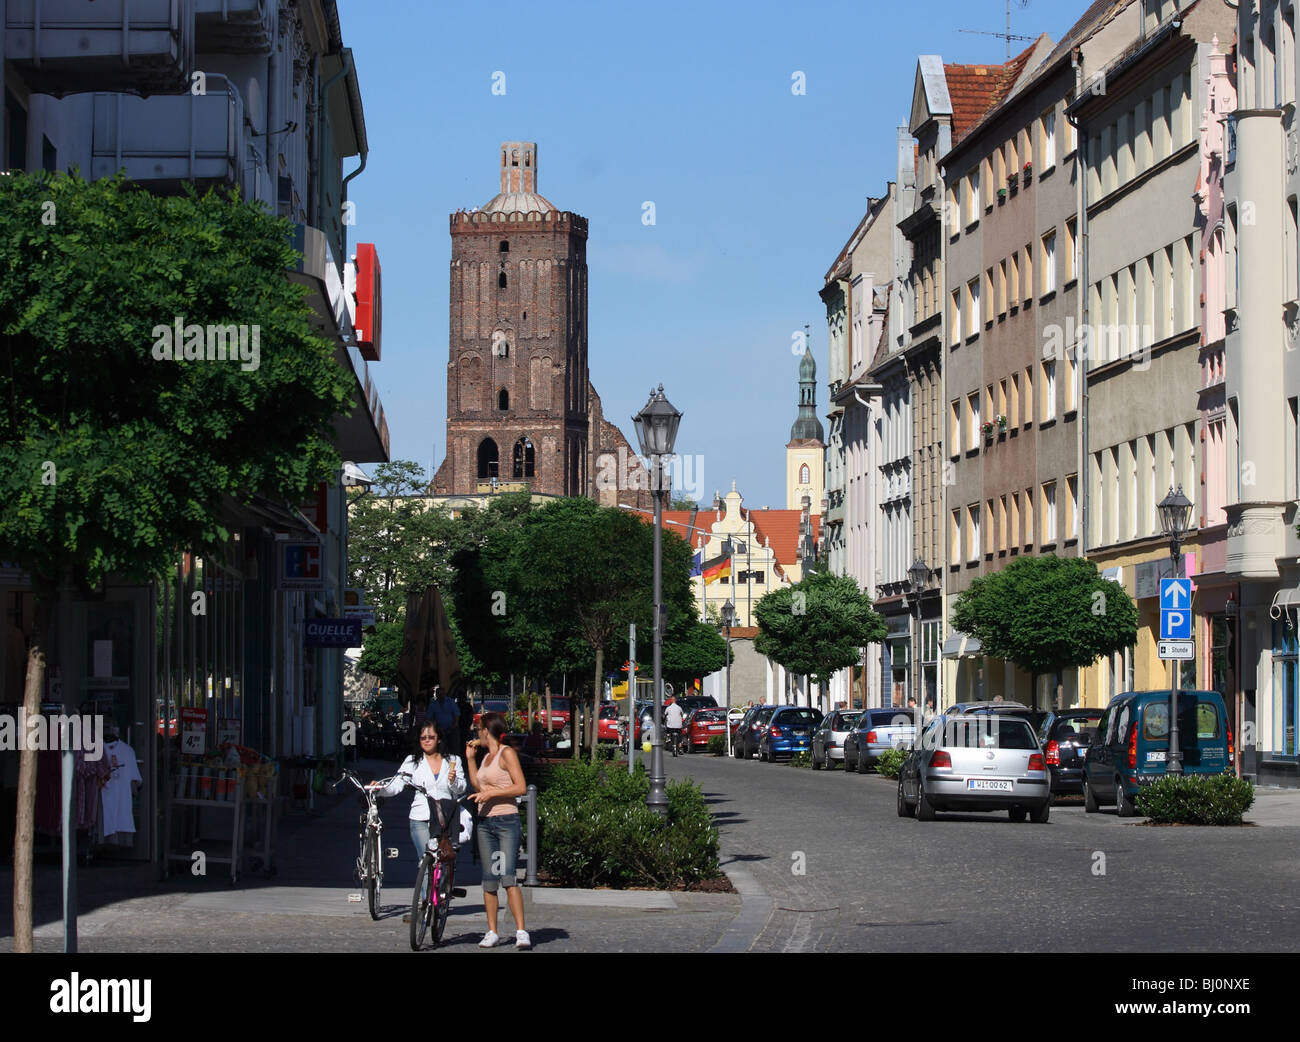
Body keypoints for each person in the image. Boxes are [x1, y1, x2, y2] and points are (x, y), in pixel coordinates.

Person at [370, 720, 466, 921]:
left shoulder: (453, 760)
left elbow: (461, 789)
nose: (427, 740)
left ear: (439, 738)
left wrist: (453, 780)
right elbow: (397, 784)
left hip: (445, 819)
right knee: (427, 859)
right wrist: (380, 789)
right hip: (420, 817)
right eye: (423, 737)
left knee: (445, 860)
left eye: (431, 737)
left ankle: (441, 895)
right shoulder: (412, 762)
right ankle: (426, 905)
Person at [466, 712, 529, 949]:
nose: (476, 735)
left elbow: (520, 786)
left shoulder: (505, 753)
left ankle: (521, 931)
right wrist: (471, 760)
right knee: (489, 879)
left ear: (485, 730)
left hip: (506, 822)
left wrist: (492, 794)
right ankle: (492, 931)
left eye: (477, 730)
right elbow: (478, 785)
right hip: (485, 824)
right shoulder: (486, 757)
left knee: (508, 876)